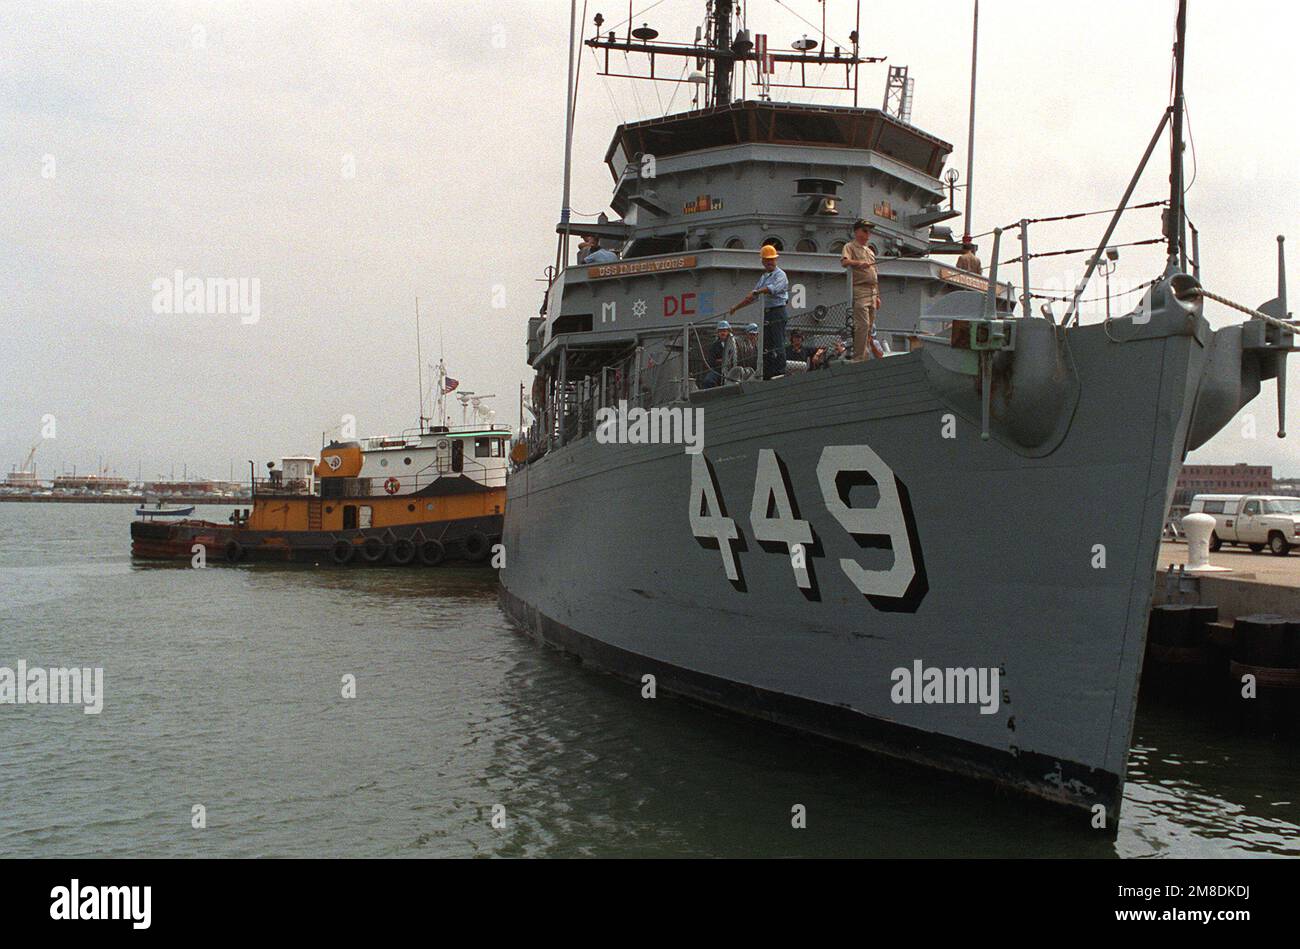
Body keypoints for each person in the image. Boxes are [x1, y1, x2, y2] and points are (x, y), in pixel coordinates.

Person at [728, 245, 789, 378]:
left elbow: (773, 289)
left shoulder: (780, 275)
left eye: (772, 259)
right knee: (765, 344)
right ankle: (767, 372)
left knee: (779, 342)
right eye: (767, 260)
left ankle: (781, 371)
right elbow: (752, 297)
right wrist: (736, 307)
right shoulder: (764, 277)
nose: (770, 262)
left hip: (778, 311)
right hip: (766, 313)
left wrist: (758, 291)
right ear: (762, 262)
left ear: (775, 260)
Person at [841, 220, 881, 362]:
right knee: (862, 325)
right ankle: (859, 358)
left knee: (870, 327)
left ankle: (864, 355)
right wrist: (859, 263)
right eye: (865, 231)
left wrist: (878, 296)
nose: (867, 234)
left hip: (872, 292)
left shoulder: (870, 251)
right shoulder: (850, 247)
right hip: (860, 290)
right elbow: (844, 262)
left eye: (869, 231)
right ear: (856, 231)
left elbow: (875, 274)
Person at [699, 321, 737, 390]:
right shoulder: (714, 346)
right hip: (718, 370)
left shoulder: (735, 344)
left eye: (724, 331)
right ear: (718, 333)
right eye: (720, 331)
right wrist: (721, 362)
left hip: (734, 370)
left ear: (728, 332)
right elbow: (711, 361)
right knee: (708, 381)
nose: (723, 333)